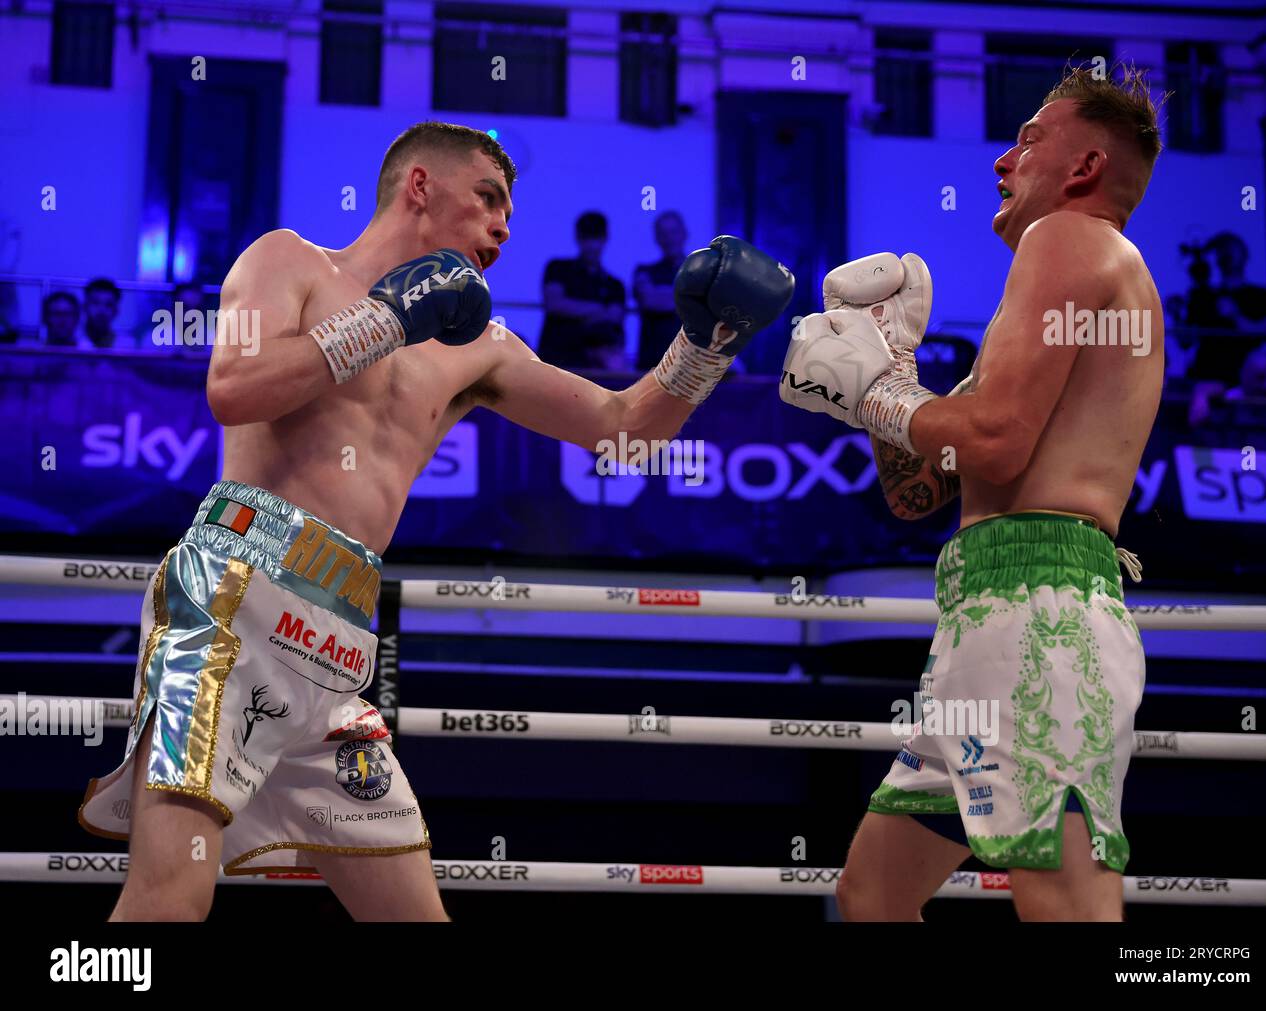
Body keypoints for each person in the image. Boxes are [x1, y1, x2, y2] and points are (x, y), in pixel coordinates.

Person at [79, 120, 793, 921]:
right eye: (488, 198)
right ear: (419, 185)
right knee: (170, 895)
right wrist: (384, 320)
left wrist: (708, 342)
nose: (503, 227)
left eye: (511, 214)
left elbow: (622, 430)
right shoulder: (285, 260)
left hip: (339, 647)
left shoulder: (480, 347)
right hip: (231, 600)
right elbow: (234, 388)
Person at [782, 65, 1165, 921]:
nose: (1001, 159)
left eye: (1028, 139)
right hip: (984, 614)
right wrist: (896, 372)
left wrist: (877, 392)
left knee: (1066, 901)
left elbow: (995, 439)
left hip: (1041, 612)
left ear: (1084, 167)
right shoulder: (1051, 285)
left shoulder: (1070, 239)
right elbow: (920, 493)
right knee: (871, 894)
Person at [1185, 232, 1266, 424]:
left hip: (1247, 376)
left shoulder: (1261, 296)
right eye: (1223, 252)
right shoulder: (1203, 296)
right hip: (1209, 374)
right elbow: (1187, 340)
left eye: (1231, 251)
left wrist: (1236, 315)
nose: (1227, 256)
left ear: (1243, 256)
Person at [538, 211, 627, 369]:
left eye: (596, 238)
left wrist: (572, 309)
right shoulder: (558, 268)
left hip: (595, 368)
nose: (592, 245)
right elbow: (554, 304)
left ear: (605, 239)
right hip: (556, 360)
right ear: (578, 238)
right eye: (587, 238)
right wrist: (598, 308)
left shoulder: (614, 284)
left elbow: (614, 317)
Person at [633, 210, 688, 370]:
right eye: (663, 233)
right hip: (651, 366)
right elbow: (650, 300)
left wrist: (665, 293)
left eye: (674, 232)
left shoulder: (703, 271)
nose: (669, 238)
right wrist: (692, 298)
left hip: (689, 367)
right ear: (656, 238)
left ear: (684, 234)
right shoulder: (644, 271)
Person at [78, 277, 136, 349]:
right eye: (95, 303)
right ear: (85, 307)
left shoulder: (128, 347)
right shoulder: (73, 344)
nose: (101, 310)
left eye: (108, 304)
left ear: (116, 311)